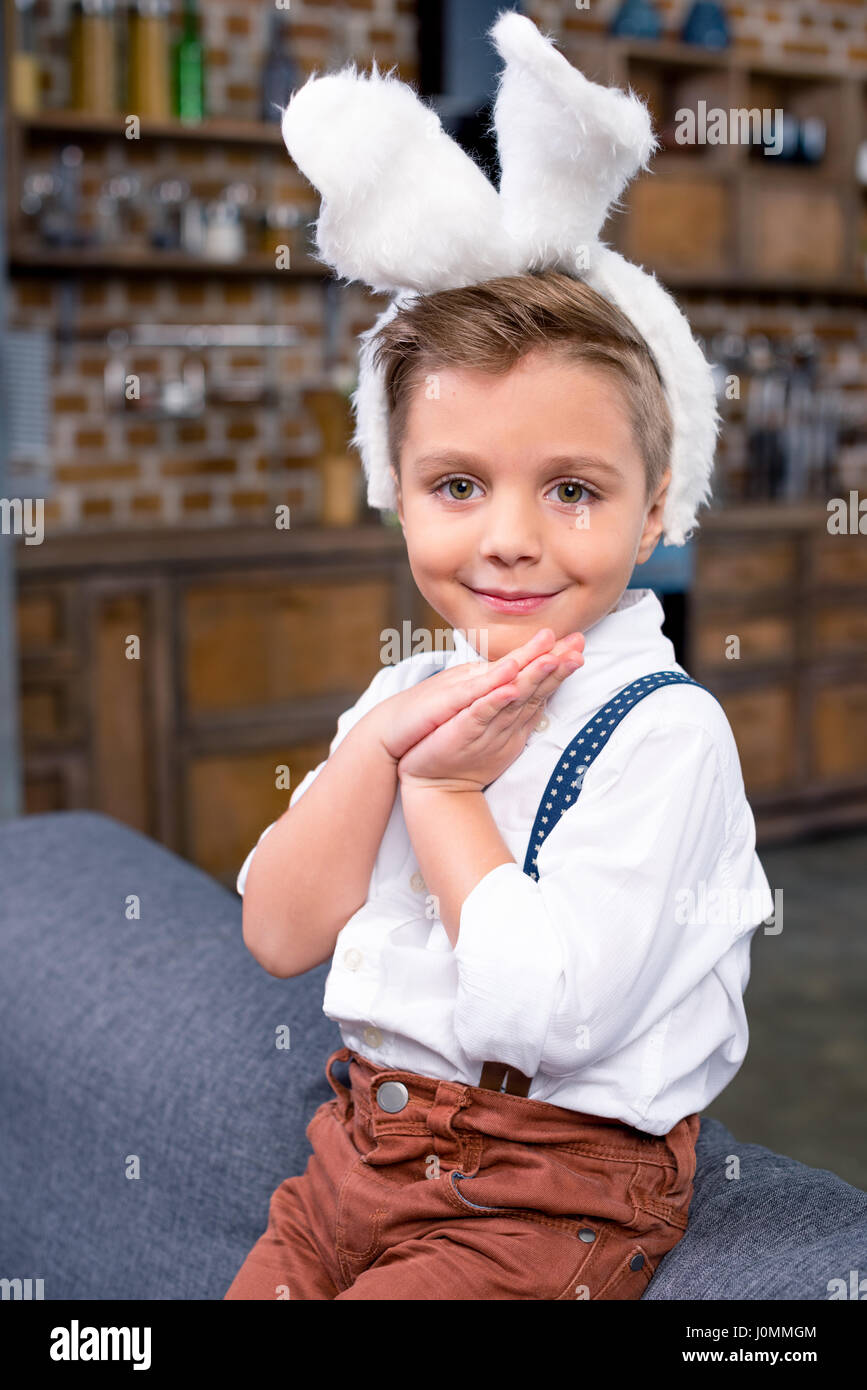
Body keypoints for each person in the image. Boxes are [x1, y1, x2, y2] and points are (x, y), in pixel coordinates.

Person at [223, 13, 774, 1300]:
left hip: (542, 1189)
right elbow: (278, 929)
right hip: (351, 1155)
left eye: (573, 490)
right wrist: (383, 746)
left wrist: (448, 795)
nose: (511, 540)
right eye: (458, 482)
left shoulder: (663, 735)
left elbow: (545, 1018)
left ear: (656, 509)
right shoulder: (405, 690)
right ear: (398, 494)